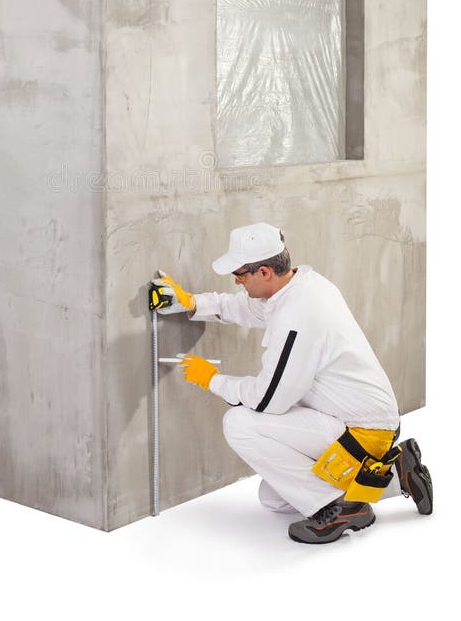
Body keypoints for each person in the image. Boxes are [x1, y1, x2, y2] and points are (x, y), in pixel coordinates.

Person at [150, 221, 433, 544]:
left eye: (240, 275)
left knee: (239, 422)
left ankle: (340, 510)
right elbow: (251, 308)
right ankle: (399, 476)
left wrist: (214, 380)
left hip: (362, 433)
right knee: (276, 499)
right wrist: (192, 302)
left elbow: (268, 400)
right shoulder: (303, 286)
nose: (238, 282)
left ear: (266, 272)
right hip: (359, 422)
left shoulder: (298, 315)